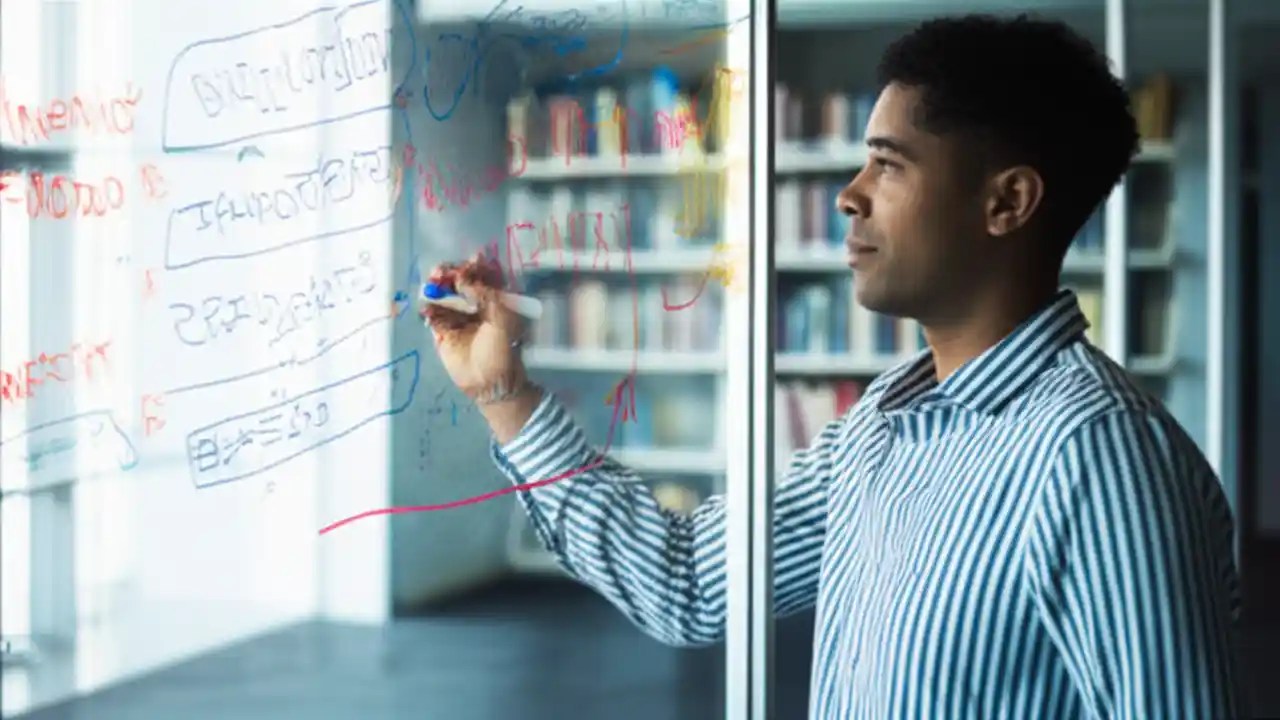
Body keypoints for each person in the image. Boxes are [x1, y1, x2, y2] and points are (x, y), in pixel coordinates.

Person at [425, 13, 1242, 720]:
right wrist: (507, 396)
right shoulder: (885, 424)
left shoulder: (1099, 455)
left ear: (1008, 202)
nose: (849, 195)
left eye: (888, 165)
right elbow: (689, 587)